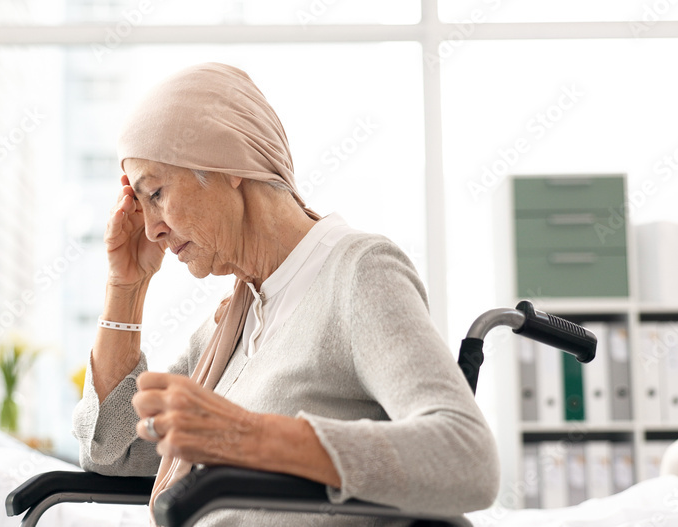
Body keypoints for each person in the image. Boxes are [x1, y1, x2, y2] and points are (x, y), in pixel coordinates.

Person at [71, 62, 499, 526]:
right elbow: (112, 452)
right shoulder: (236, 321)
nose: (151, 228)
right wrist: (126, 287)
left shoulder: (358, 272)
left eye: (155, 192)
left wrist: (249, 438)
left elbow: (465, 457)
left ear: (228, 164)